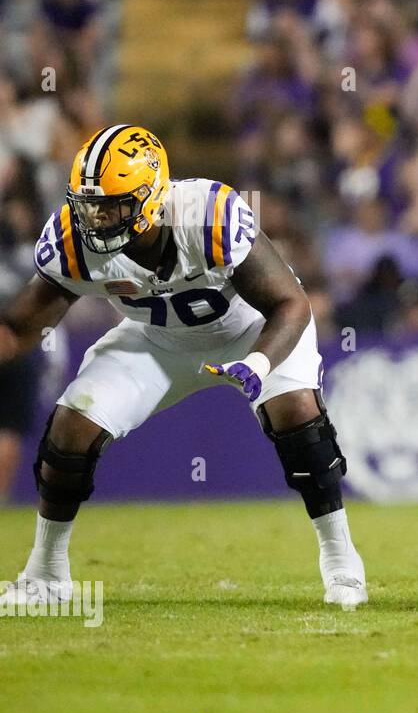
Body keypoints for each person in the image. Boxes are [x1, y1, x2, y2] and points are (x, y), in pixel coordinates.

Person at [0, 125, 367, 610]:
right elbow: (19, 327)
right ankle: (46, 573)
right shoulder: (75, 239)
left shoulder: (208, 216)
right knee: (71, 427)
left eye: (112, 204)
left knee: (298, 414)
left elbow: (290, 304)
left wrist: (259, 363)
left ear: (152, 197)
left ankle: (341, 561)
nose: (96, 217)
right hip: (157, 340)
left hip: (252, 329)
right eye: (89, 204)